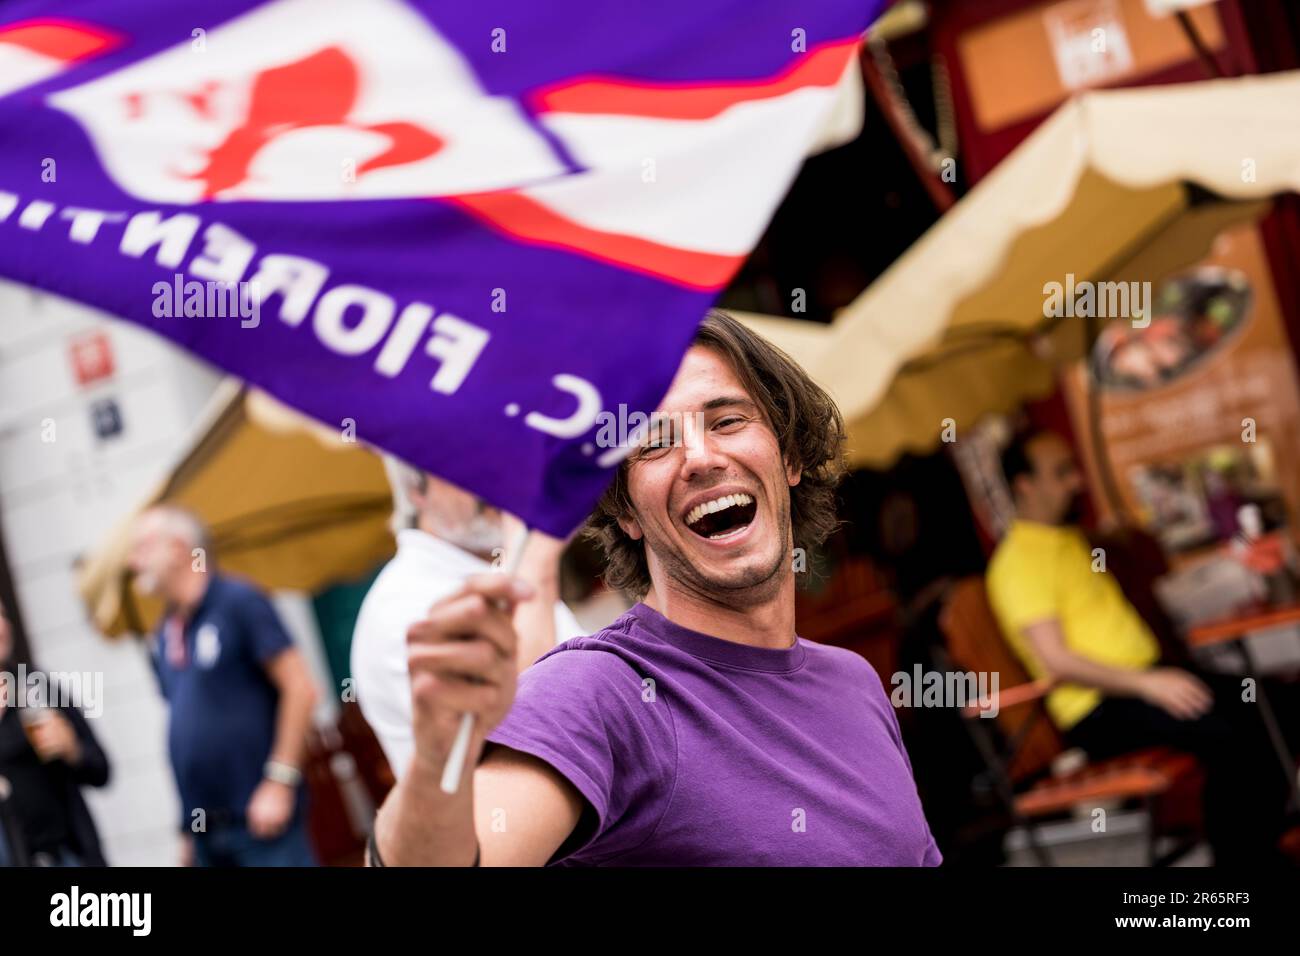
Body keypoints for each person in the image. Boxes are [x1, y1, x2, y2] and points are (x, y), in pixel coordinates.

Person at [370, 309, 941, 866]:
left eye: (726, 421)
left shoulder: (855, 681)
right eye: (654, 442)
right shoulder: (597, 691)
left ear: (788, 456)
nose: (700, 457)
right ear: (626, 513)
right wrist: (436, 759)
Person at [986, 427, 1300, 865]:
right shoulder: (1017, 562)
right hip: (1101, 706)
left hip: (1150, 679)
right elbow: (1056, 660)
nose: (1077, 481)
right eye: (1061, 473)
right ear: (1025, 484)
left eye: (1074, 469)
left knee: (1278, 703)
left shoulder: (1068, 539)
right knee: (1233, 738)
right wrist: (1147, 684)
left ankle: (1266, 842)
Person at [351, 462, 583, 776]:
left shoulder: (495, 569)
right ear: (415, 489)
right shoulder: (404, 607)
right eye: (470, 461)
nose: (496, 479)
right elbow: (526, 734)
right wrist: (536, 567)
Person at [128, 506, 320, 867]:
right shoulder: (167, 631)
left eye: (142, 547)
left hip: (261, 822)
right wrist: (188, 829)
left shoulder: (238, 602)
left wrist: (279, 781)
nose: (132, 560)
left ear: (179, 548)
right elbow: (186, 728)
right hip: (207, 836)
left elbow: (301, 689)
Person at [0, 599, 109, 866]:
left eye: (3, 614)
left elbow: (100, 769)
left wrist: (73, 750)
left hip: (69, 856)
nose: (2, 626)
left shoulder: (34, 686)